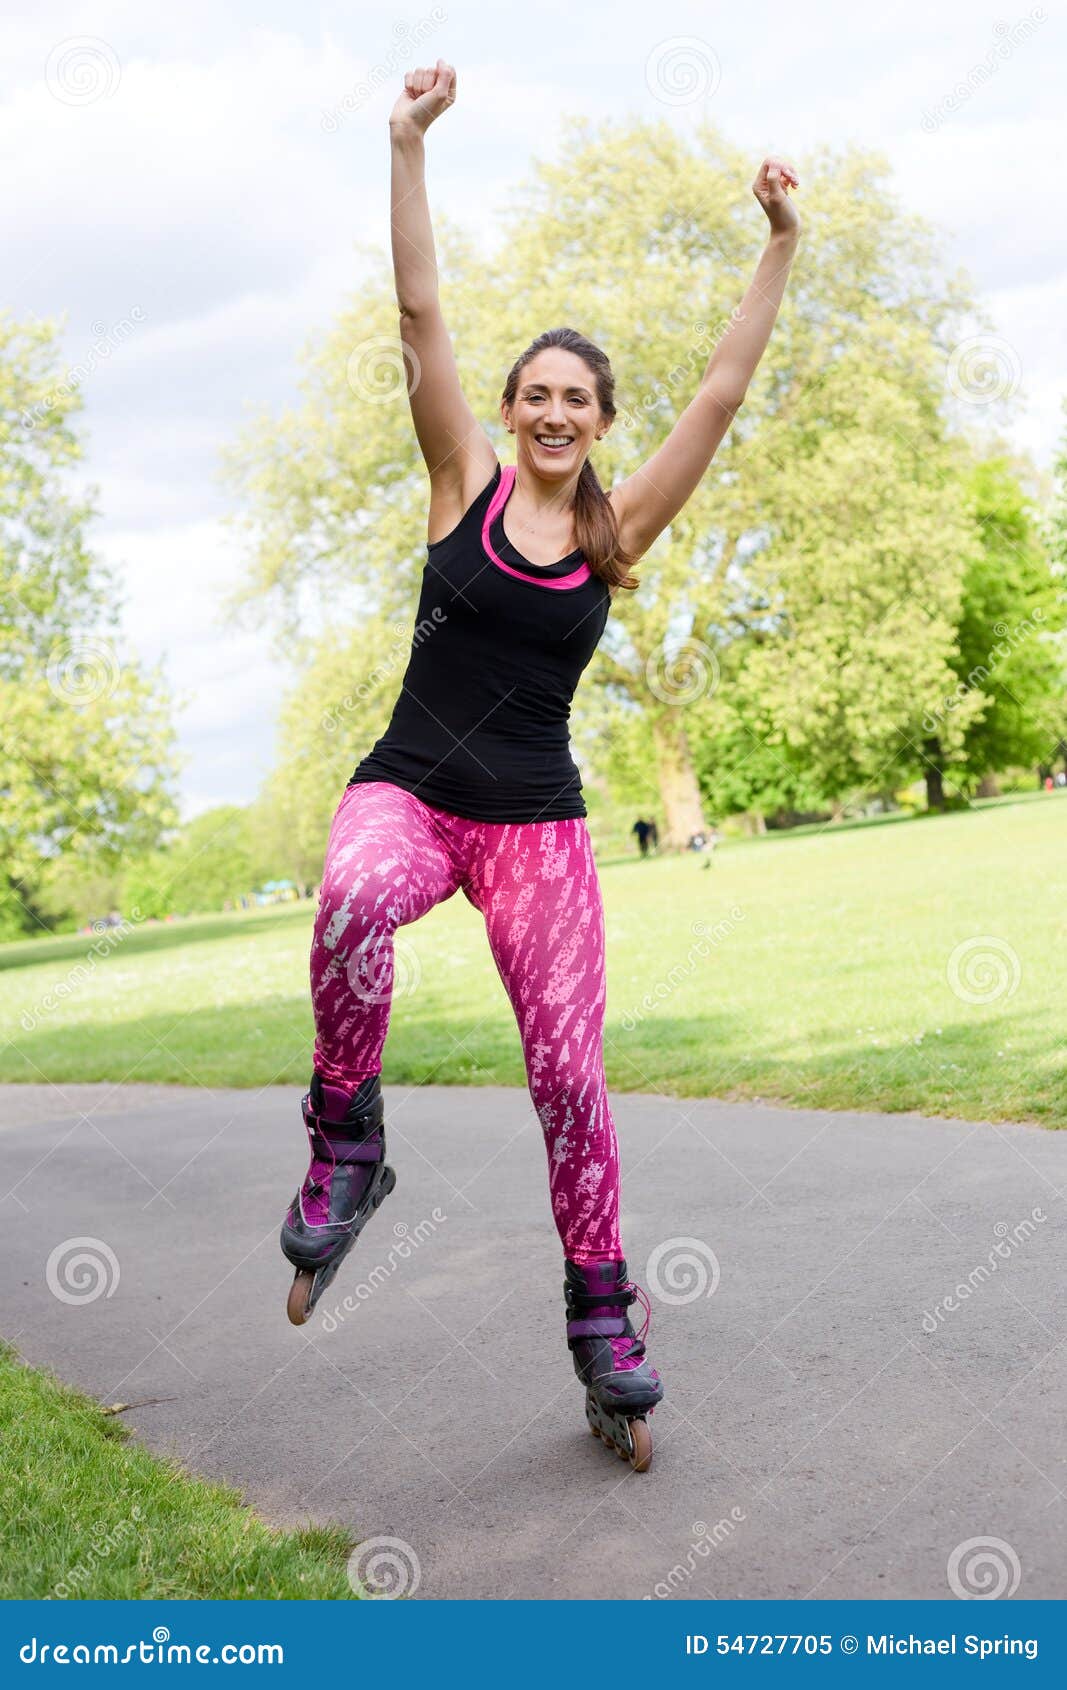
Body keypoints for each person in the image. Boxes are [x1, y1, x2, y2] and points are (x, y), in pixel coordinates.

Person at [278, 58, 800, 1471]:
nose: (557, 411)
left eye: (580, 397)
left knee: (571, 1077)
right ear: (507, 410)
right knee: (347, 904)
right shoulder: (461, 480)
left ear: (601, 421)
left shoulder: (622, 530)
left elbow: (725, 391)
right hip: (410, 791)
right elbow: (419, 310)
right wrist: (404, 145)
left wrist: (779, 244)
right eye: (537, 393)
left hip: (535, 830)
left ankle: (604, 1324)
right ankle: (347, 1135)